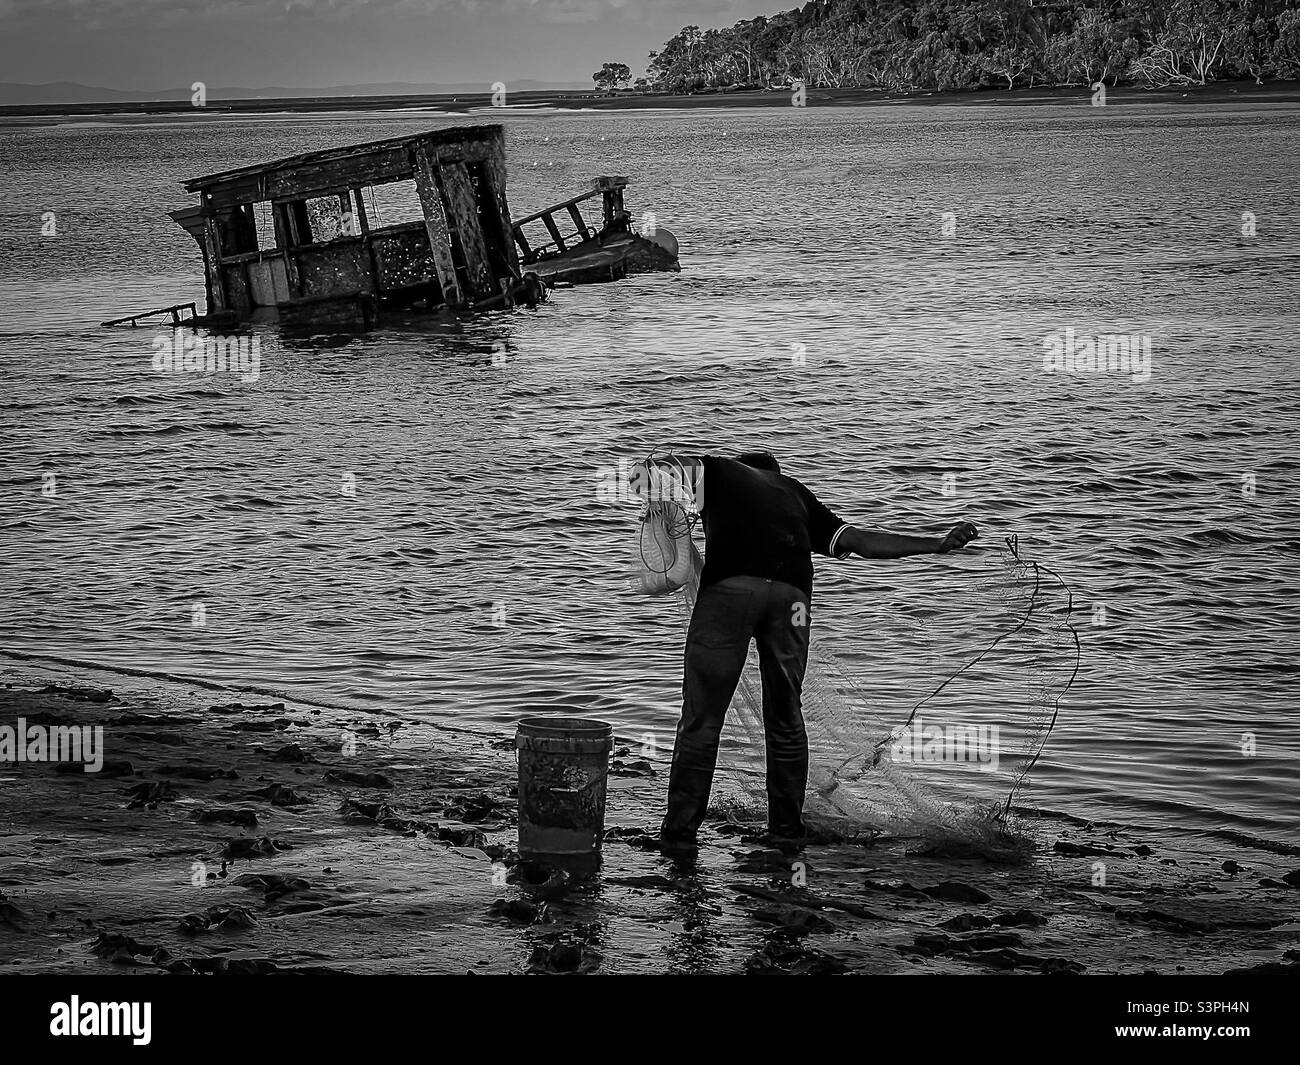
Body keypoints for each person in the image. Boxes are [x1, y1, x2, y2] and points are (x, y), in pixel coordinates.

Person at [638, 450, 978, 851]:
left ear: (746, 466)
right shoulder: (796, 493)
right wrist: (935, 544)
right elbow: (861, 541)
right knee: (785, 717)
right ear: (775, 475)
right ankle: (786, 832)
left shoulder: (721, 469)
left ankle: (679, 835)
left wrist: (644, 478)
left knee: (703, 718)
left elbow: (663, 467)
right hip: (792, 601)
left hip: (731, 592)